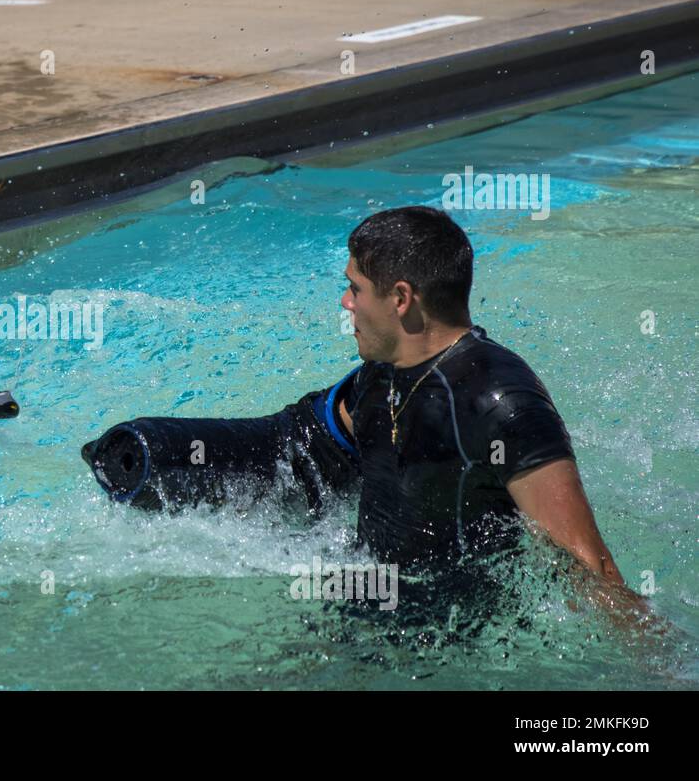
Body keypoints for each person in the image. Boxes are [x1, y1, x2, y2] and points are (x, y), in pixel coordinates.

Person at [86, 206, 656, 633]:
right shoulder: (378, 377)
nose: (345, 303)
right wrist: (160, 453)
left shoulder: (499, 402)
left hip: (448, 638)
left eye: (355, 288)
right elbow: (292, 446)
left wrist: (659, 674)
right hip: (365, 603)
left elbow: (590, 564)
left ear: (401, 297)